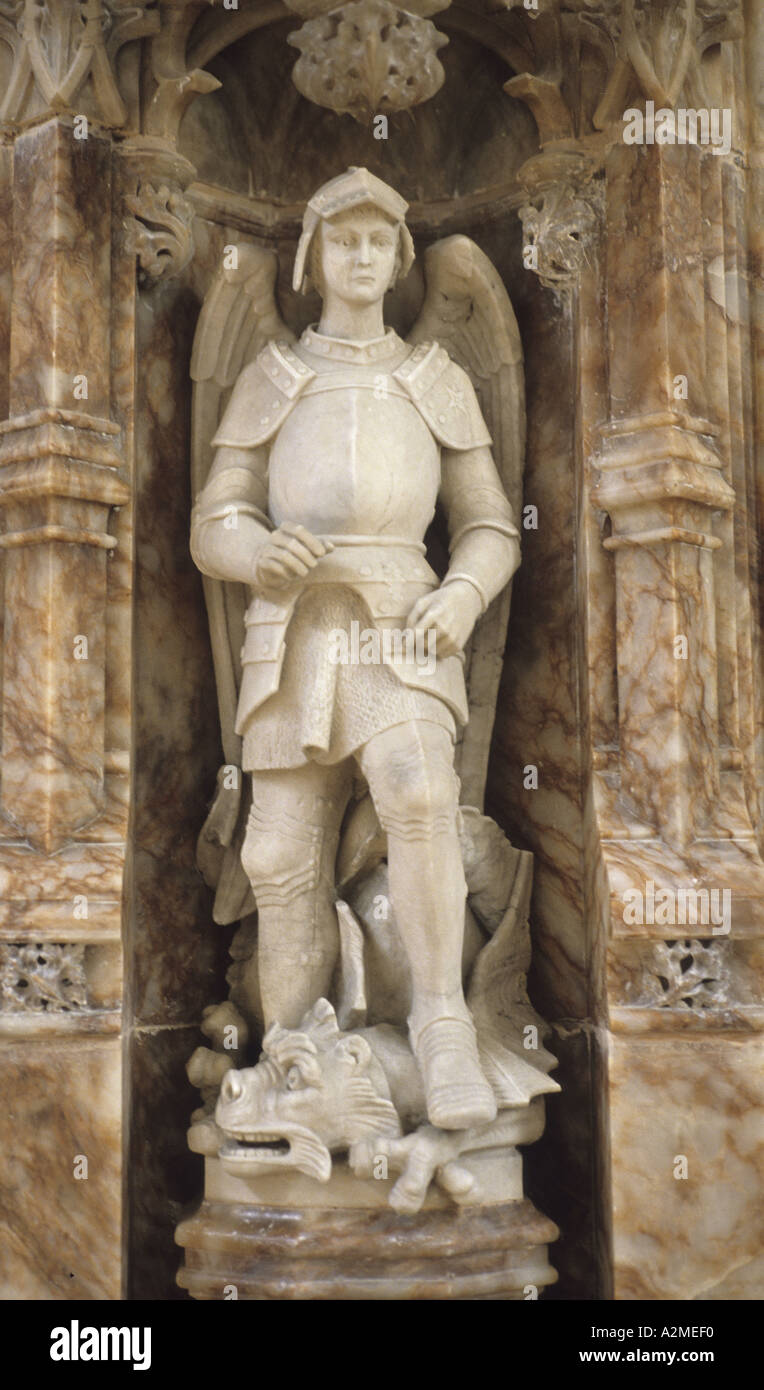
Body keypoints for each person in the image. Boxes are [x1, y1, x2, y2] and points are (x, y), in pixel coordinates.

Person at [191, 168, 520, 1130]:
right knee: (279, 851)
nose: (363, 257)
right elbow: (214, 521)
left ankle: (444, 1028)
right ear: (312, 256)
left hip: (404, 622)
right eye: (345, 241)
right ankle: (294, 1057)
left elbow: (491, 524)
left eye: (381, 242)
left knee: (420, 794)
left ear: (402, 259)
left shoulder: (436, 377)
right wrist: (259, 550)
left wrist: (462, 594)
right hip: (292, 633)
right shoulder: (274, 375)